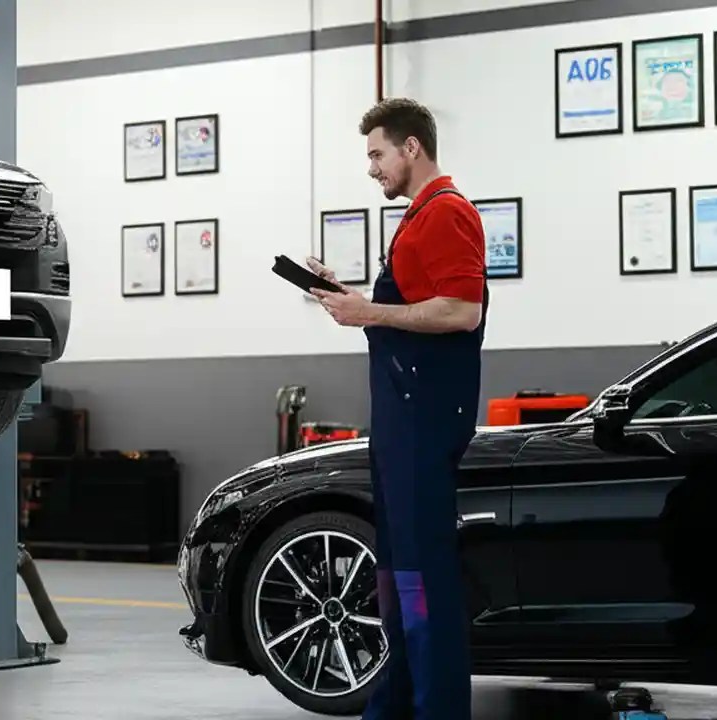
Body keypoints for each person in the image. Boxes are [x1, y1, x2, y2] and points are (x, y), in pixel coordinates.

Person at [308, 97, 486, 720]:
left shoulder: (446, 214)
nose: (372, 169)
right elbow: (410, 319)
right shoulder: (417, 218)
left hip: (422, 427)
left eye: (377, 154)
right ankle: (400, 702)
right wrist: (350, 301)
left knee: (422, 579)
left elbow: (463, 312)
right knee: (399, 579)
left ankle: (435, 708)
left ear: (412, 148)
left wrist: (370, 311)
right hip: (400, 427)